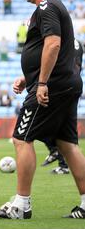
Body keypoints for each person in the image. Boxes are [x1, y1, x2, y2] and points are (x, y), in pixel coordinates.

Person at [0, 0, 85, 220]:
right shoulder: (52, 6)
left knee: (22, 139)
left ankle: (21, 205)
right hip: (65, 83)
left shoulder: (46, 7)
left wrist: (41, 83)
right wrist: (29, 76)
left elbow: (53, 45)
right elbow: (55, 48)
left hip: (52, 86)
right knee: (67, 144)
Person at [40, 38, 84, 175]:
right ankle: (62, 163)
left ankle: (55, 151)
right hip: (73, 84)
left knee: (42, 123)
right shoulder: (76, 42)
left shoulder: (59, 40)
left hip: (61, 85)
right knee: (64, 130)